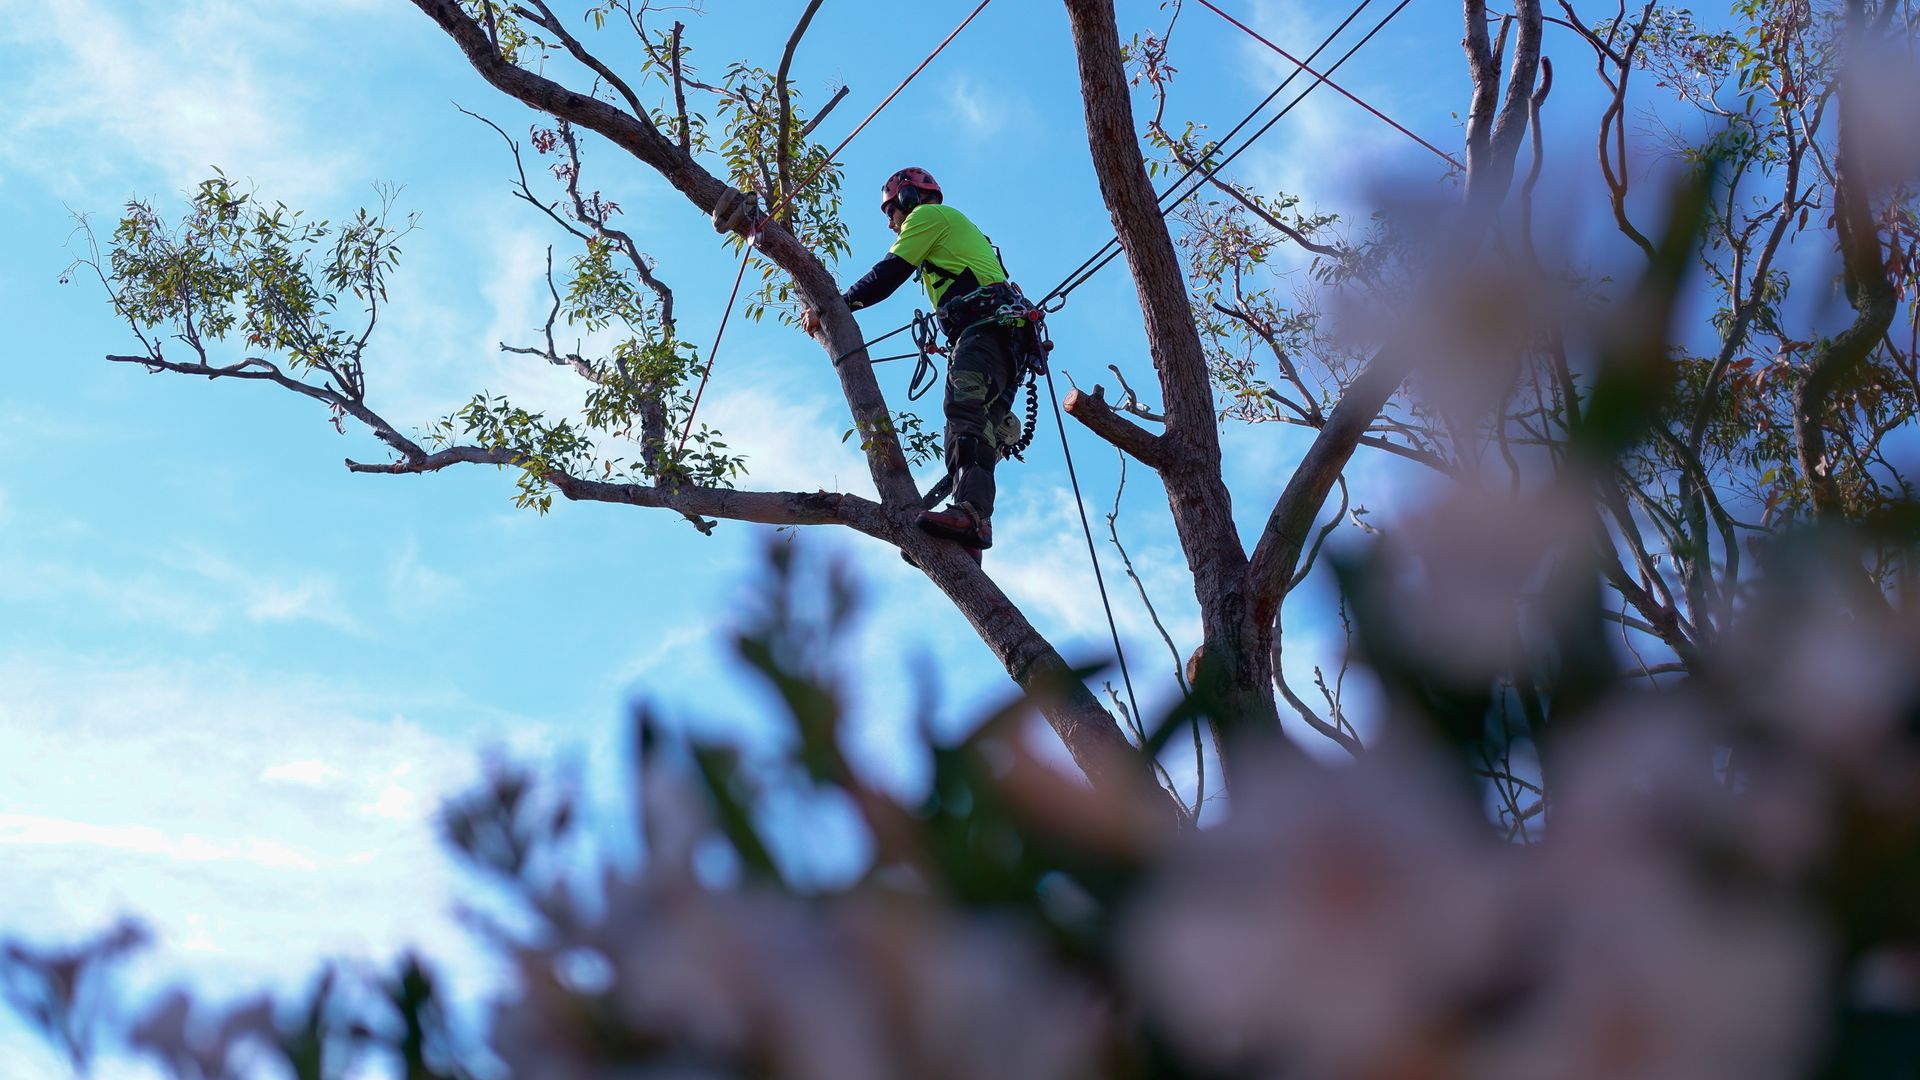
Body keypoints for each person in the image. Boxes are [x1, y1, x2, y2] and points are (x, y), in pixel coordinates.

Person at [802, 167, 1024, 553]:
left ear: (908, 199)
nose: (891, 224)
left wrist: (831, 307)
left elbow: (888, 274)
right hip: (1005, 341)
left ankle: (971, 516)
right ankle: (971, 529)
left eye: (891, 212)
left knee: (964, 412)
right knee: (974, 428)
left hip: (987, 330)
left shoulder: (926, 216)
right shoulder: (950, 229)